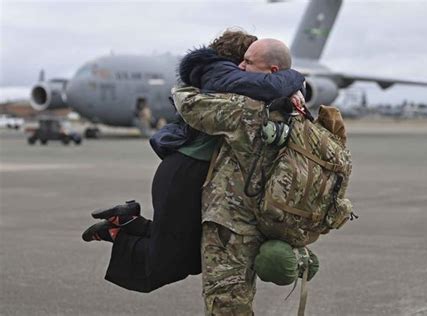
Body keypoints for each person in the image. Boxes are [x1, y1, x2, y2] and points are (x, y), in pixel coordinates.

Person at [81, 30, 305, 294]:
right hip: (184, 173)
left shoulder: (237, 86)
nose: (244, 67)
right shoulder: (219, 75)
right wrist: (295, 80)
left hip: (197, 175)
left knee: (189, 253)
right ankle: (118, 232)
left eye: (249, 62)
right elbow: (264, 88)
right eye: (243, 60)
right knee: (166, 262)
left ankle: (128, 223)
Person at [172, 38, 306, 315]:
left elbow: (189, 104)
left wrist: (195, 79)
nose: (239, 67)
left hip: (230, 226)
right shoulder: (297, 111)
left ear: (271, 72)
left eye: (247, 62)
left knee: (226, 303)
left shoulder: (247, 111)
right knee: (239, 298)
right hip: (268, 219)